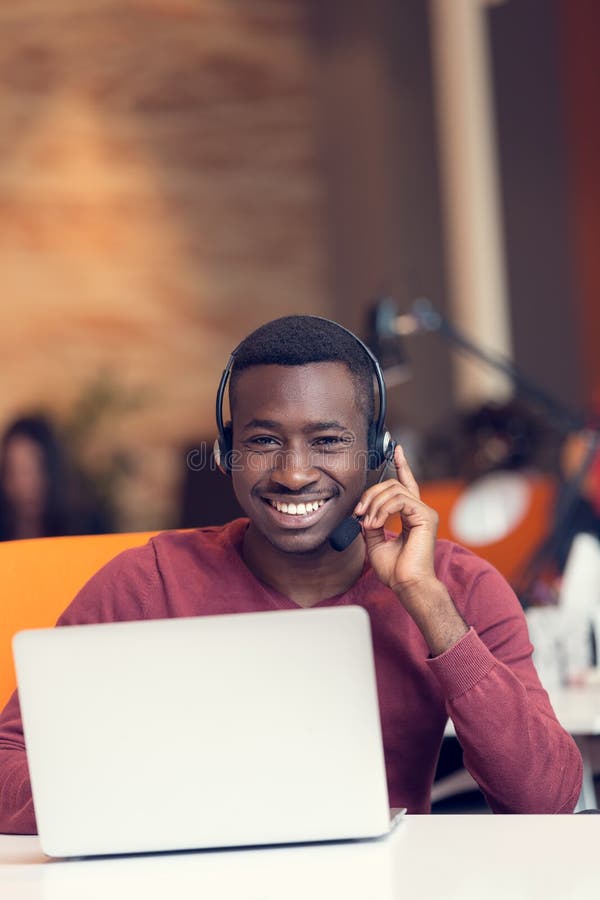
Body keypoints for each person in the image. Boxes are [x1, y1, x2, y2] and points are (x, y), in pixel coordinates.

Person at [0, 316, 583, 833]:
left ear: (376, 450)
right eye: (263, 441)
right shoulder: (147, 582)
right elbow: (9, 758)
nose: (294, 473)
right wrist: (132, 798)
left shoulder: (454, 587)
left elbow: (547, 803)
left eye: (328, 440)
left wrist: (425, 601)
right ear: (229, 449)